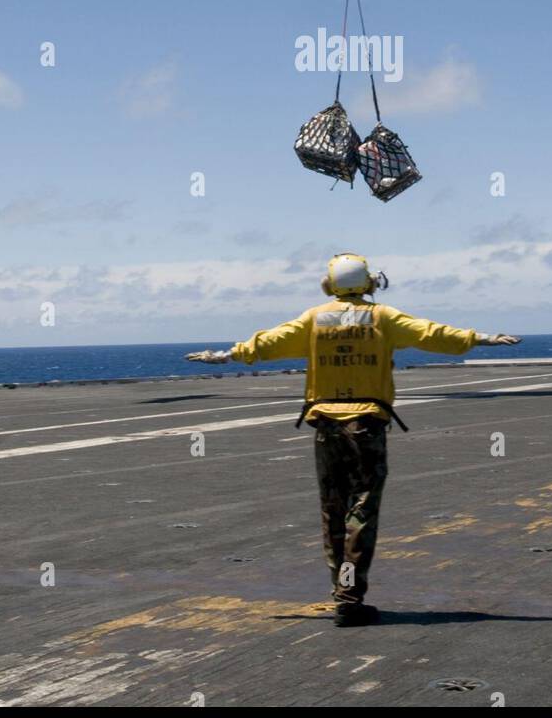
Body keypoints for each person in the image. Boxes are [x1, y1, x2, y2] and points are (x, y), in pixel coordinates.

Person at [186, 252, 521, 628]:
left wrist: (225, 355)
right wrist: (481, 338)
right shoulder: (383, 318)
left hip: (326, 426)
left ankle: (341, 593)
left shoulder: (315, 319)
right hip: (366, 427)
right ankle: (349, 599)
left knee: (333, 511)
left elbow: (269, 342)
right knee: (361, 512)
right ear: (369, 284)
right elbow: (432, 333)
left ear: (329, 285)